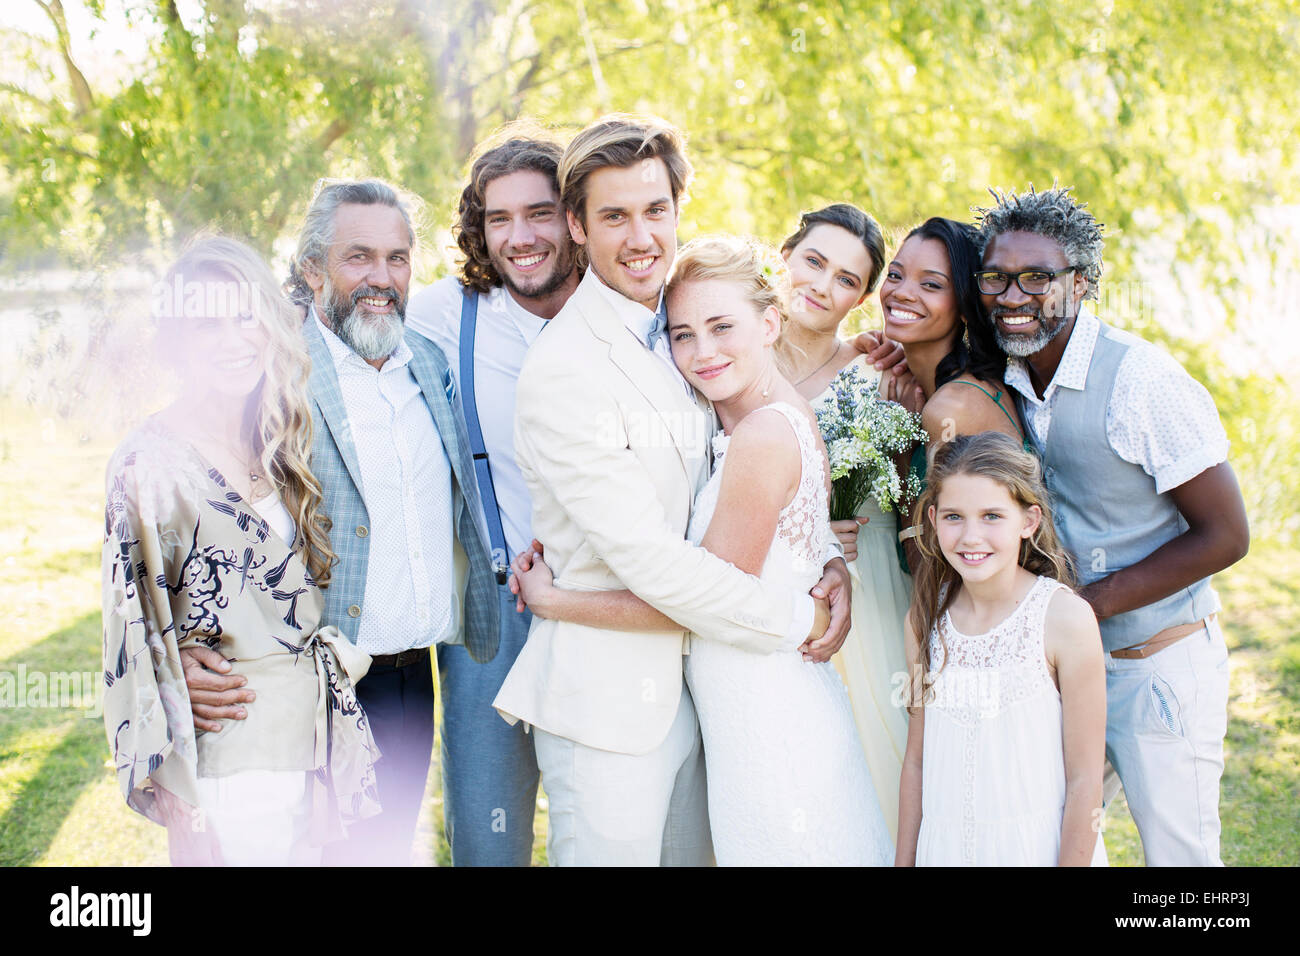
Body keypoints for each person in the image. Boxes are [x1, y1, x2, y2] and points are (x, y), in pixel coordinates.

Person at [492, 114, 853, 866]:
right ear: (576, 226)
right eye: (614, 216)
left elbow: (768, 444)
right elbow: (649, 557)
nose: (640, 236)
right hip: (609, 712)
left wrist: (821, 555)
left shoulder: (684, 324)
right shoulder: (565, 371)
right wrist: (793, 614)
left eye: (655, 210)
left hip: (705, 704)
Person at [180, 180, 501, 866]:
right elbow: (192, 510)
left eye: (397, 258)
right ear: (312, 269)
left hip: (407, 684)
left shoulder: (431, 364)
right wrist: (179, 643)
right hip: (295, 682)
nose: (381, 279)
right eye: (359, 258)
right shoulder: (271, 372)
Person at [974, 185, 1250, 865]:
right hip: (1066, 672)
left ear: (1082, 284)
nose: (1013, 295)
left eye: (1038, 277)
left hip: (1156, 666)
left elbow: (1226, 534)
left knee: (1181, 866)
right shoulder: (1007, 371)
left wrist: (1085, 606)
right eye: (997, 277)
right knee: (1038, 839)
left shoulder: (1142, 379)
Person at [101, 236, 380, 866]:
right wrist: (174, 684)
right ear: (175, 341)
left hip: (311, 746)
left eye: (245, 315)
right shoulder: (151, 463)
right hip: (226, 760)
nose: (234, 340)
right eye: (208, 325)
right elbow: (131, 634)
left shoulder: (281, 439)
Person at [405, 133, 579, 865]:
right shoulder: (443, 315)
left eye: (539, 213)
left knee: (604, 824)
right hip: (490, 614)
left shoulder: (633, 311)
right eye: (499, 219)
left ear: (574, 215)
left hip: (606, 610)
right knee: (486, 835)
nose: (521, 237)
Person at [896, 432, 1107, 866]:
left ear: (1029, 521)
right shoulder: (923, 622)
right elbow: (917, 762)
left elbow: (1086, 779)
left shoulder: (1063, 619)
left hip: (1033, 850)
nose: (971, 536)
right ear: (933, 519)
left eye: (992, 515)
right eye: (954, 517)